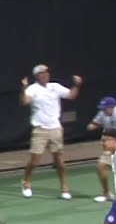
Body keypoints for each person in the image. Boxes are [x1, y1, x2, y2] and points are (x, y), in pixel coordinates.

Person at [20, 64, 83, 200]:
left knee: (59, 161)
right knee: (35, 161)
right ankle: (26, 182)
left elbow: (71, 95)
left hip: (55, 129)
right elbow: (24, 101)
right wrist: (23, 88)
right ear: (37, 76)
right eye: (43, 73)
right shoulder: (32, 89)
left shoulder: (55, 86)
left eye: (47, 72)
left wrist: (77, 85)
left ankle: (64, 188)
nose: (46, 74)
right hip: (40, 130)